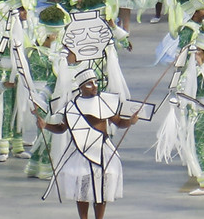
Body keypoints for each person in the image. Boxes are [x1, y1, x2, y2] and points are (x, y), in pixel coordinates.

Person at [35, 61, 147, 219]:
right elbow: (62, 128)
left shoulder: (105, 102)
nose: (94, 86)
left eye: (95, 83)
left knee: (102, 187)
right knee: (82, 187)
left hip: (103, 150)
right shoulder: (72, 106)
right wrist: (46, 125)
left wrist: (130, 121)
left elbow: (119, 122)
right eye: (89, 84)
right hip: (80, 151)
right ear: (81, 87)